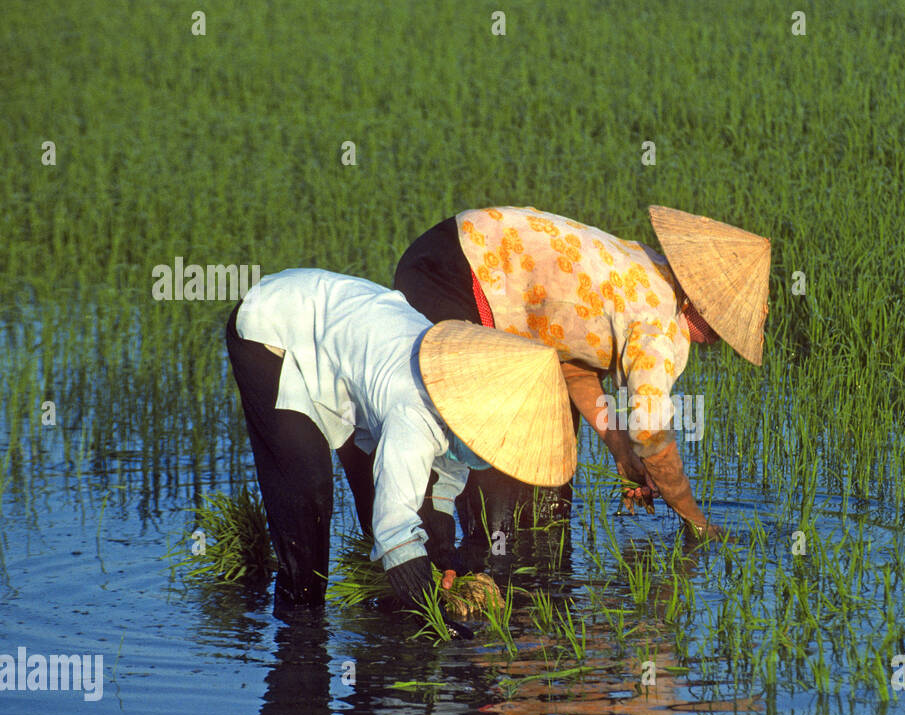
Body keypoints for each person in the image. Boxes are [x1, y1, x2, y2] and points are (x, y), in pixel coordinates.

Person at [392, 205, 770, 549]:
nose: (720, 341)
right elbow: (653, 436)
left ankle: (501, 564)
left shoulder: (648, 266)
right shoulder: (659, 326)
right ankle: (446, 563)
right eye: (723, 330)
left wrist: (621, 450)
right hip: (454, 273)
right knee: (480, 428)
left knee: (506, 423)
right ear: (709, 315)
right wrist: (697, 521)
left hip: (446, 245)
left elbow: (572, 368)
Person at [225, 268, 575, 617]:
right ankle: (300, 621)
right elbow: (394, 527)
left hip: (346, 341)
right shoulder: (413, 411)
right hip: (275, 324)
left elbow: (440, 482)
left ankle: (384, 619)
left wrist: (441, 556)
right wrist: (431, 607)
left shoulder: (467, 399)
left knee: (375, 487)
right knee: (306, 490)